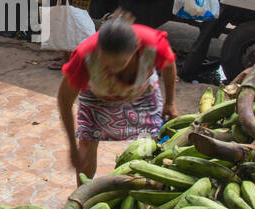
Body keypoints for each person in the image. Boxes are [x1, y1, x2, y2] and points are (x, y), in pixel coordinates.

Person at [57, 17, 179, 182]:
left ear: (136, 48)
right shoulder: (85, 56)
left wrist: (170, 102)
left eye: (120, 64)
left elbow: (169, 64)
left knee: (148, 145)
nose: (112, 71)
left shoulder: (151, 44)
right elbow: (64, 101)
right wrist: (72, 146)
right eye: (105, 64)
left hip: (141, 93)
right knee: (86, 146)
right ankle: (82, 198)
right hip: (97, 95)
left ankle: (143, 187)